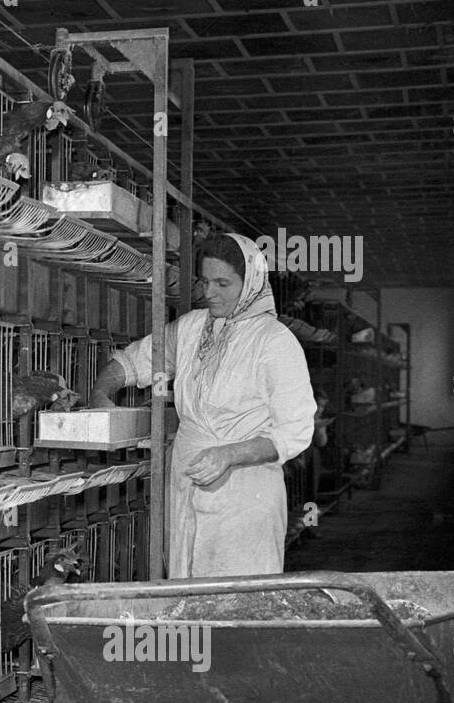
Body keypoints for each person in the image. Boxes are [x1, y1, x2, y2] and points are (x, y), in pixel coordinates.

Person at [91, 232, 315, 578]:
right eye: (205, 281)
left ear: (251, 282)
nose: (209, 293)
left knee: (236, 594)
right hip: (187, 480)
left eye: (223, 283)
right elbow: (137, 361)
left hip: (244, 491)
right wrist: (102, 392)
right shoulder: (192, 327)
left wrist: (230, 454)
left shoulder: (275, 342)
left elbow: (295, 431)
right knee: (185, 584)